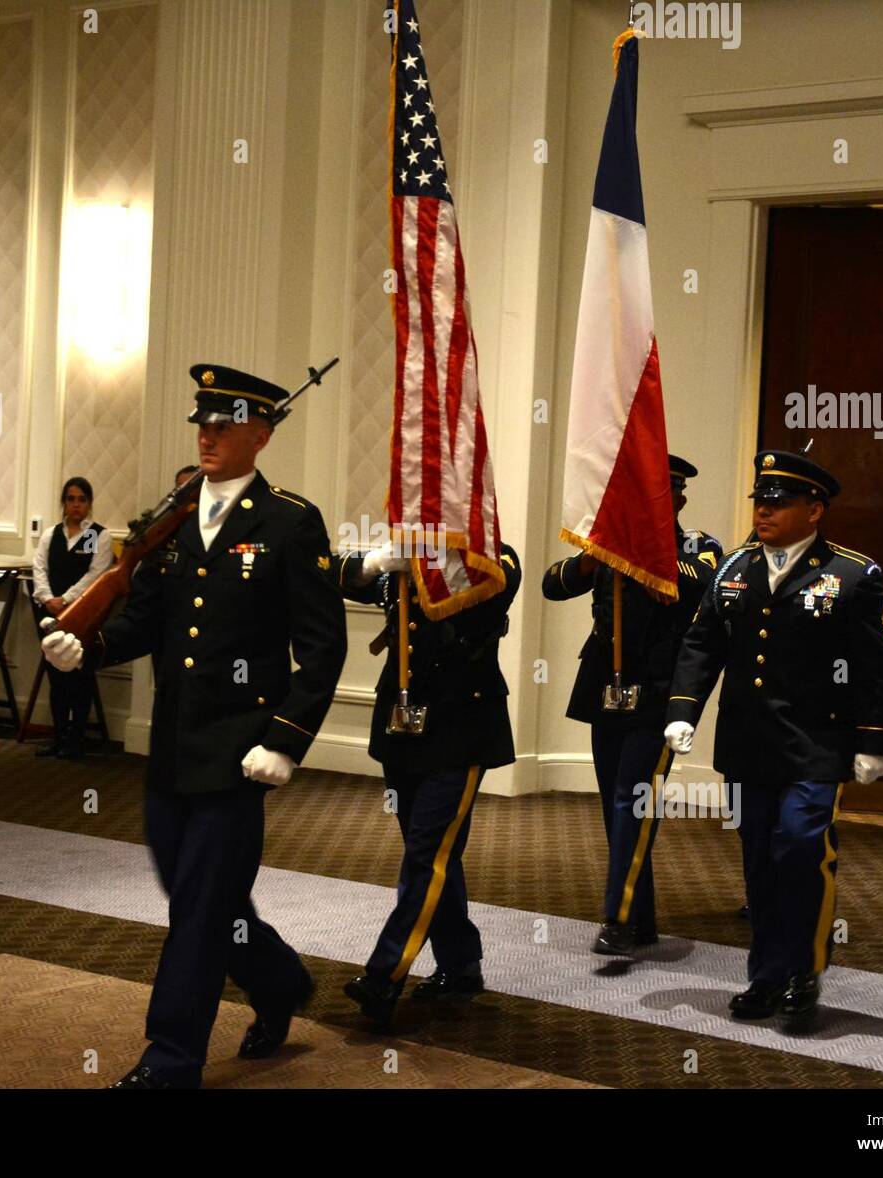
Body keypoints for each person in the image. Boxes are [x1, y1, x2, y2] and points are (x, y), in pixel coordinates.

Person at [43, 364, 347, 1087]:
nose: (208, 434)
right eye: (202, 423)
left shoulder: (289, 521)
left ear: (261, 433)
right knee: (198, 897)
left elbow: (323, 644)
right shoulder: (172, 522)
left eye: (225, 423)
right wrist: (90, 646)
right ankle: (277, 982)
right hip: (174, 746)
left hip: (241, 753)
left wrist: (286, 739)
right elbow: (146, 616)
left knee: (200, 912)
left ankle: (170, 1058)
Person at [664, 450, 883, 1030]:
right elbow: (703, 644)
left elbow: (880, 665)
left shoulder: (852, 575)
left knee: (801, 848)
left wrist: (875, 740)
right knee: (759, 861)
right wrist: (684, 709)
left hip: (816, 746)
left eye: (779, 502)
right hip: (749, 744)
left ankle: (803, 971)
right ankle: (765, 975)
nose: (764, 511)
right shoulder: (733, 569)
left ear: (814, 510)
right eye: (760, 501)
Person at [335, 539, 521, 1027]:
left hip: (460, 729)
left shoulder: (495, 559)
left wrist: (419, 562)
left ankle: (385, 974)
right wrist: (375, 561)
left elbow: (480, 591)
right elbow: (335, 575)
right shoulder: (407, 553)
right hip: (403, 723)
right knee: (438, 855)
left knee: (426, 854)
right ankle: (460, 964)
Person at [542, 455, 721, 957]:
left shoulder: (696, 547)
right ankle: (639, 917)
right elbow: (553, 585)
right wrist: (592, 559)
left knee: (633, 802)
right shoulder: (608, 544)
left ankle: (618, 917)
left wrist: (643, 552)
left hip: (660, 690)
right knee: (614, 804)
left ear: (676, 500)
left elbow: (705, 586)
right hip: (605, 685)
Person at [30, 477, 113, 758]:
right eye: (70, 499)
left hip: (81, 614)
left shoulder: (95, 535)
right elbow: (39, 567)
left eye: (81, 500)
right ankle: (59, 735)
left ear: (89, 504)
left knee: (79, 674)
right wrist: (47, 598)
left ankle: (75, 738)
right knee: (56, 676)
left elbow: (95, 574)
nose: (75, 505)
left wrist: (66, 600)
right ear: (63, 502)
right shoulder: (51, 534)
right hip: (49, 613)